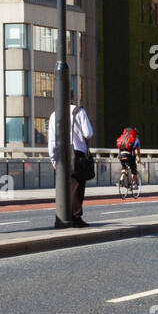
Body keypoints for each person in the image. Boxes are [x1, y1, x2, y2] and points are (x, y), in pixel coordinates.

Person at [47, 89, 93, 228]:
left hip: (61, 154)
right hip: (77, 153)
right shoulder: (79, 111)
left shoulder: (54, 115)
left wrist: (53, 158)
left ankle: (63, 216)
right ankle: (75, 217)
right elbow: (88, 133)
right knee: (77, 186)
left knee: (65, 186)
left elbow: (52, 140)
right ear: (72, 97)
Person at [116, 126, 141, 192]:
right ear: (136, 134)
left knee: (124, 168)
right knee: (133, 169)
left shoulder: (124, 138)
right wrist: (139, 159)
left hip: (121, 155)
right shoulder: (136, 139)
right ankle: (134, 184)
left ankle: (121, 179)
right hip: (129, 155)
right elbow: (137, 152)